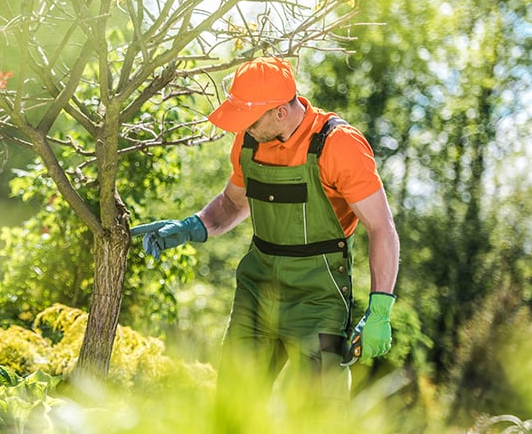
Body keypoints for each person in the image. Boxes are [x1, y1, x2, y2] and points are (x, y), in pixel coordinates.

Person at [131, 57, 400, 422]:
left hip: (317, 299)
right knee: (233, 408)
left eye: (249, 120)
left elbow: (381, 227)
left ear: (280, 113)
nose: (242, 129)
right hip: (257, 291)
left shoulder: (338, 145)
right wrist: (192, 227)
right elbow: (231, 203)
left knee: (318, 417)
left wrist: (379, 309)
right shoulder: (249, 142)